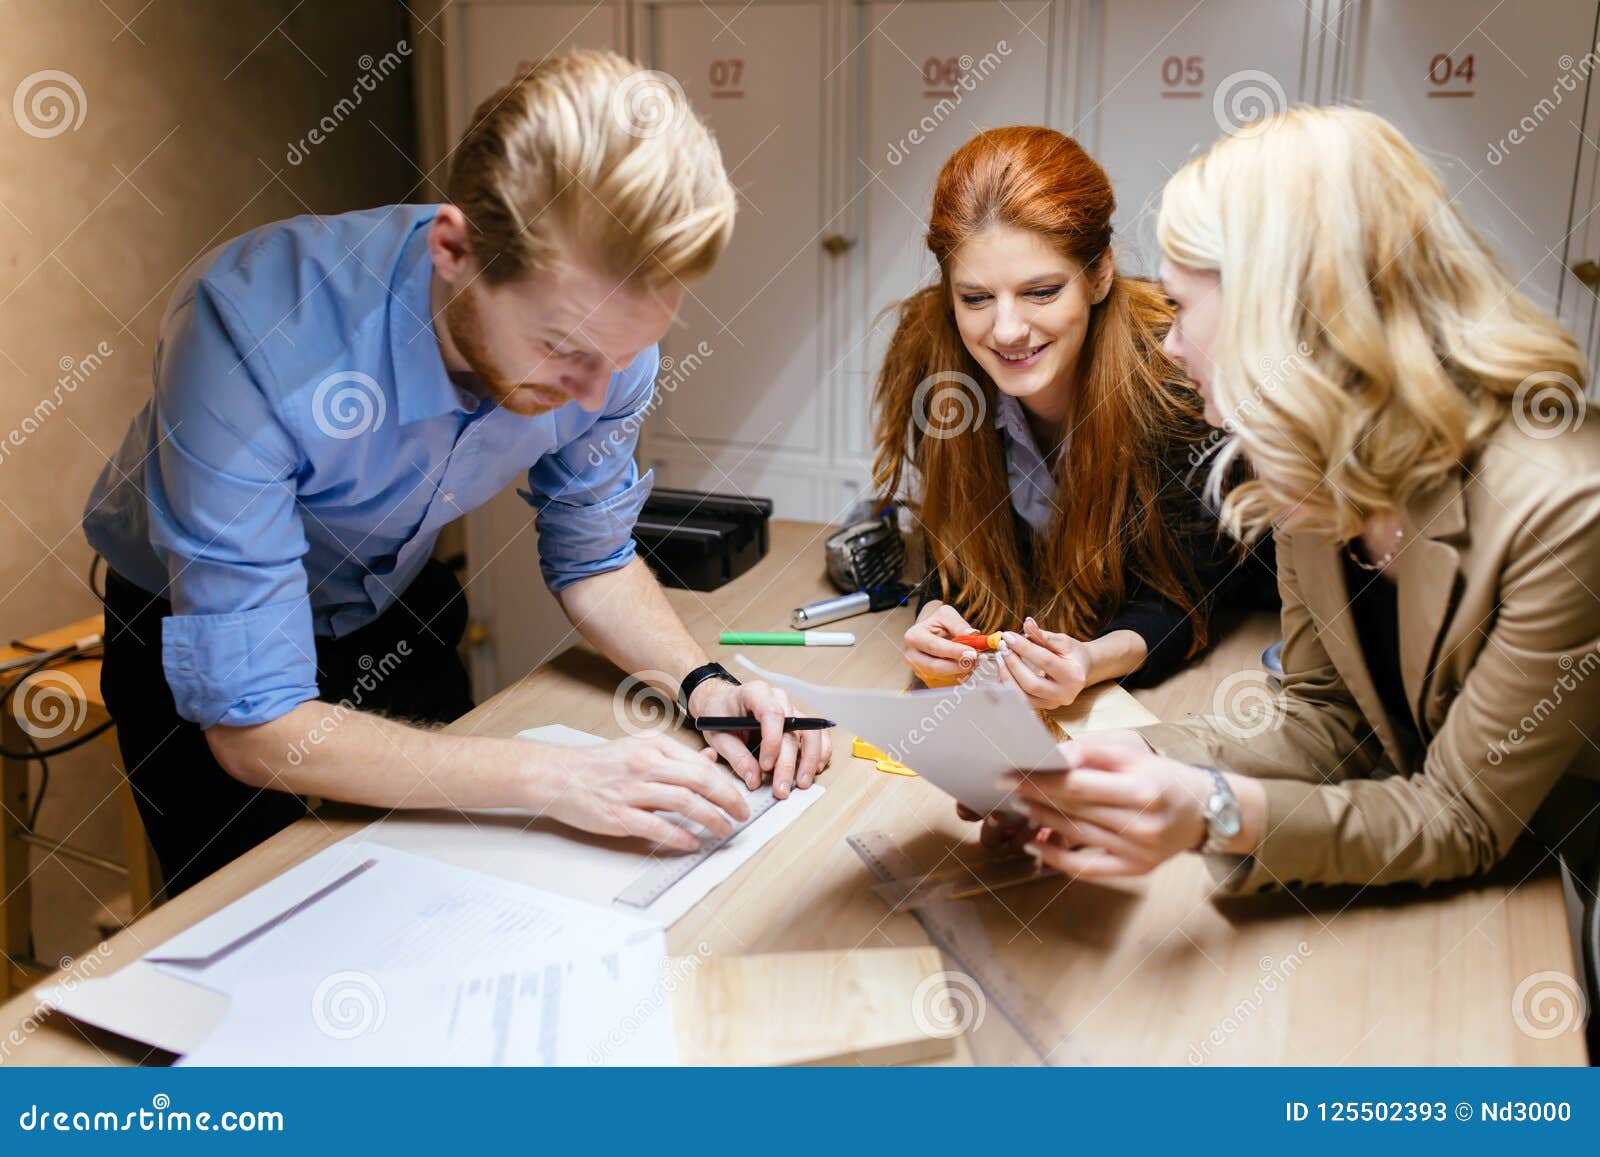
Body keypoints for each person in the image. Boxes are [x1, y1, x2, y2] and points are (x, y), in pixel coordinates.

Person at [84, 50, 828, 899]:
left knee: (447, 901)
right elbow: (258, 730)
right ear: (455, 250)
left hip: (394, 604)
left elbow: (593, 559)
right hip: (195, 630)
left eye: (622, 355)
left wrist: (706, 683)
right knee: (244, 933)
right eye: (562, 349)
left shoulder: (604, 339)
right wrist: (559, 778)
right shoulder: (248, 334)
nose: (594, 390)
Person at [1007, 106, 1600, 903]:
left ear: (1280, 307)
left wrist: (1215, 809)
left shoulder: (1569, 510)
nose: (1169, 344)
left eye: (1181, 307)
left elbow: (1460, 815)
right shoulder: (1306, 450)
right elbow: (1327, 717)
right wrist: (1100, 774)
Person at [873, 126, 1269, 711]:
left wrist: (1089, 661)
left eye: (1041, 291)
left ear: (1100, 275)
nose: (1006, 330)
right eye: (976, 298)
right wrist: (936, 615)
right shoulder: (931, 353)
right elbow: (953, 548)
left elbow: (1185, 595)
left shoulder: (1176, 373)